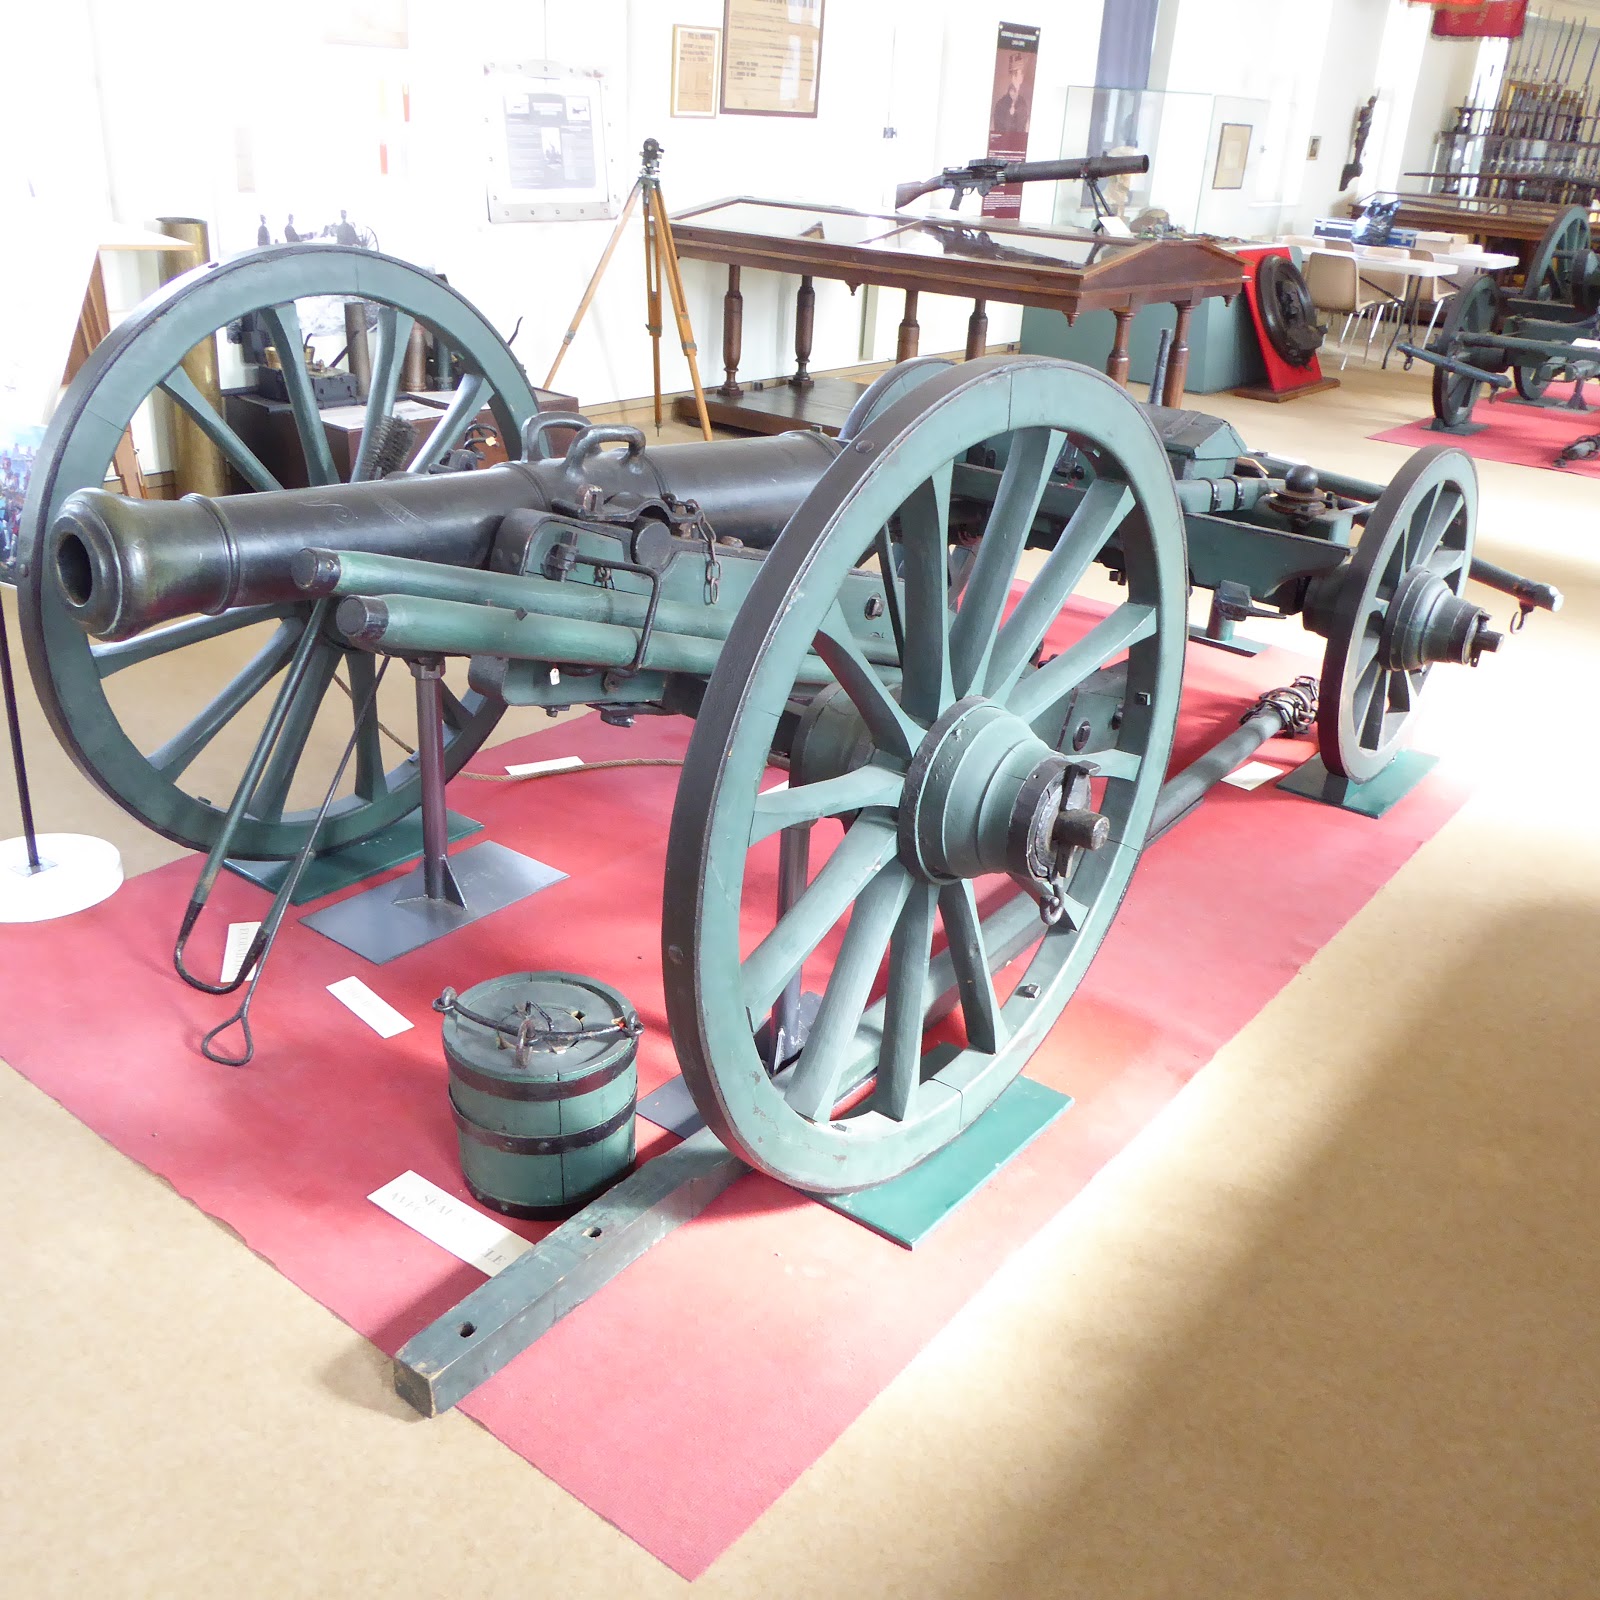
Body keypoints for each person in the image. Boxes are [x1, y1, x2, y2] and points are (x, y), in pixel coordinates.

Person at [992, 54, 1030, 136]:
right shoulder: (1000, 105)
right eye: (1013, 74)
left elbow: (1023, 132)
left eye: (1017, 74)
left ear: (1022, 78)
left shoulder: (1023, 104)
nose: (1014, 79)